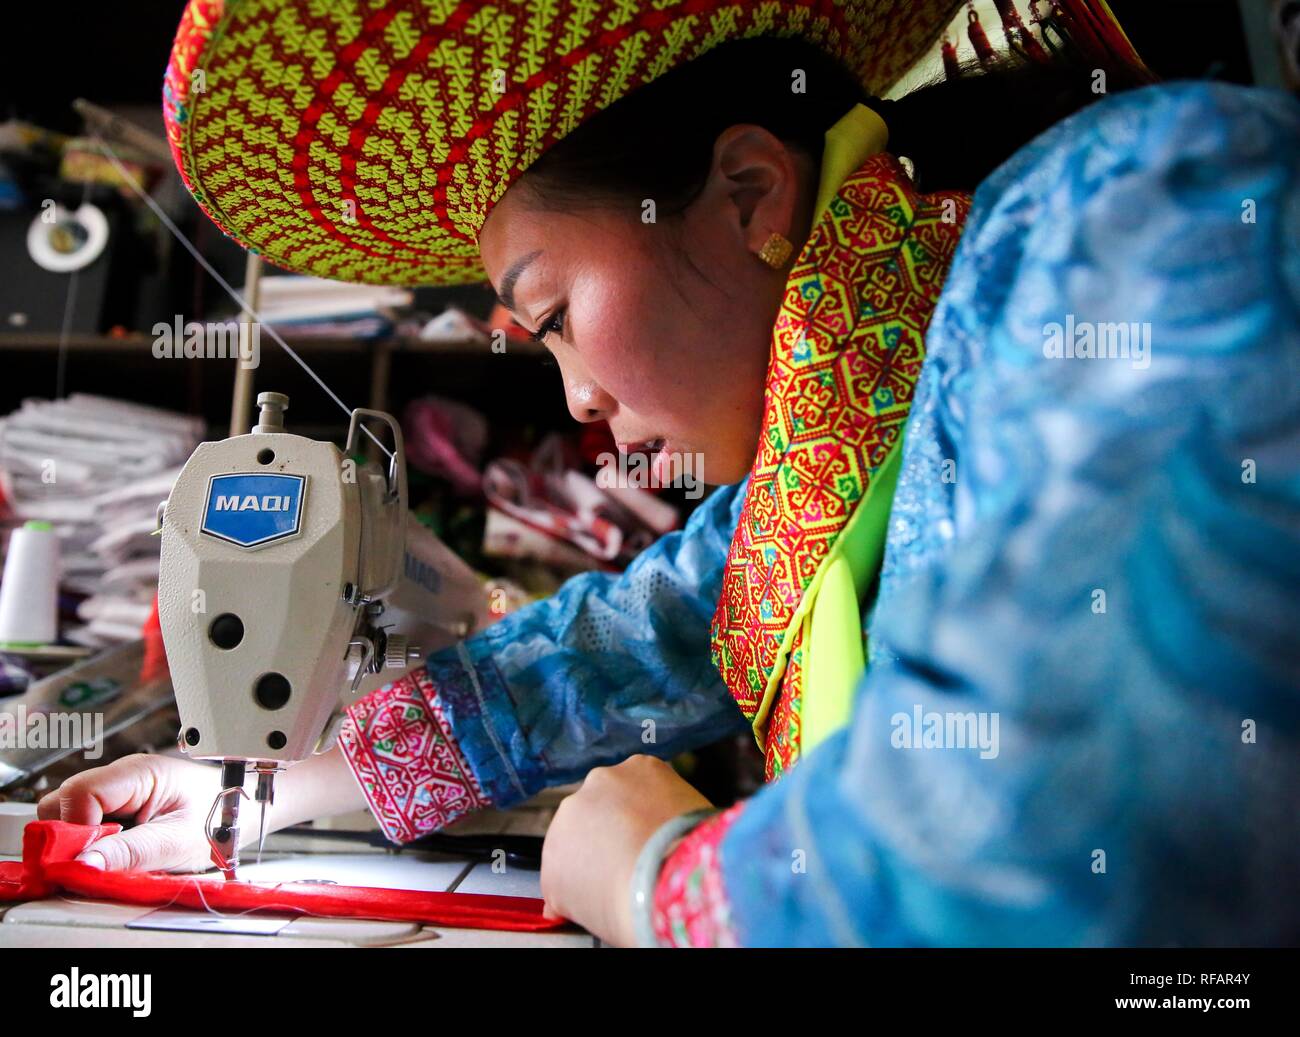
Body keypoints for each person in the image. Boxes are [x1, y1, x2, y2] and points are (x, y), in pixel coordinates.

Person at [41, 0, 1300, 946]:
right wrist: (258, 781)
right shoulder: (839, 441)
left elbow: (1067, 844)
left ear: (748, 190)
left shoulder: (1147, 206)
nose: (576, 400)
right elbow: (640, 636)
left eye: (554, 314)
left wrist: (660, 878)